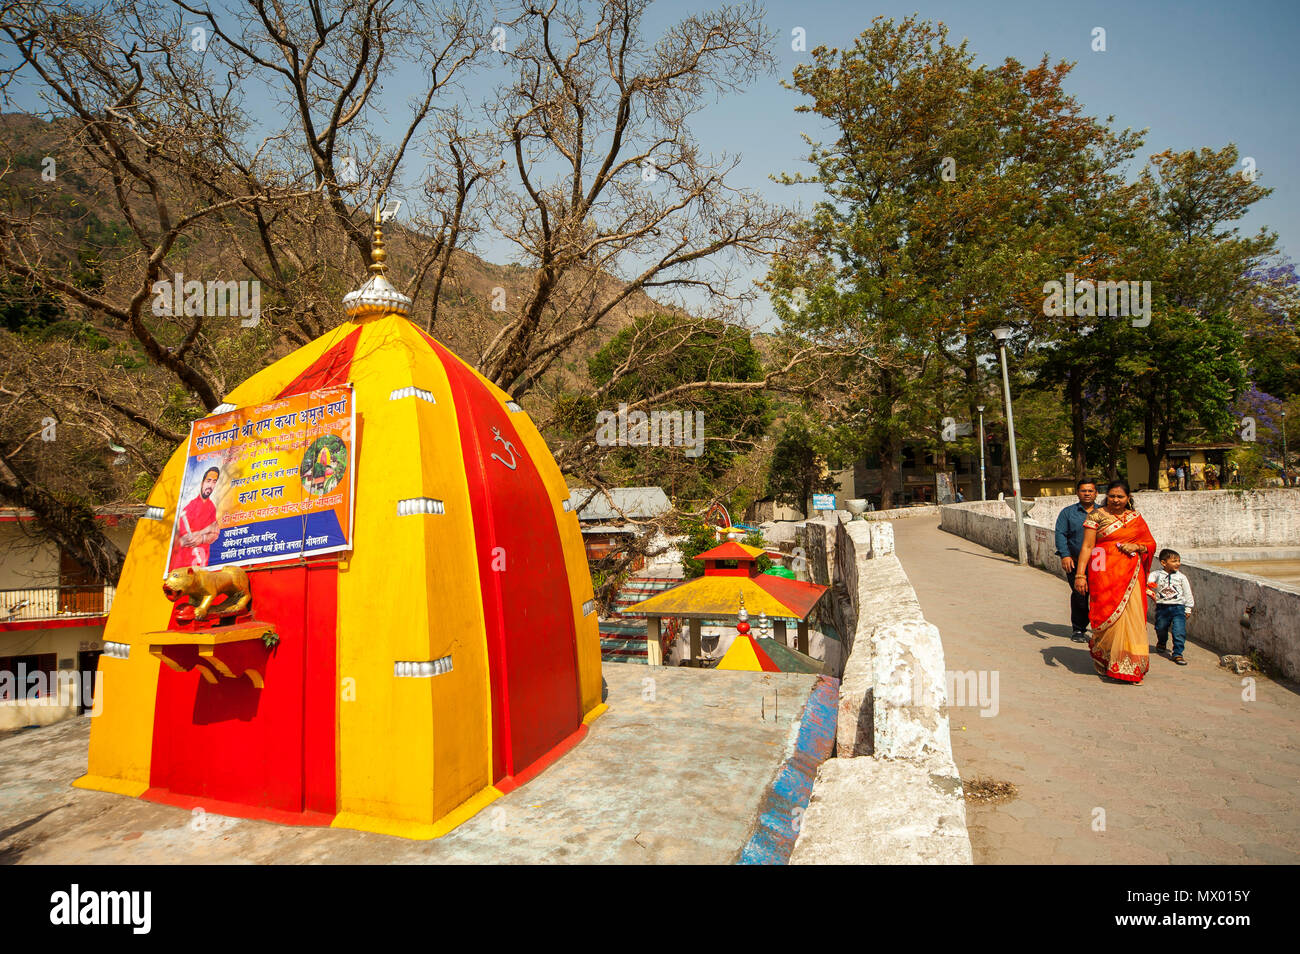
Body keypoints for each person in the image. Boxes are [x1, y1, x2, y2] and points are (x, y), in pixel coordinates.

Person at [1074, 479, 1158, 683]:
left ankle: (1129, 665)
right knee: (1105, 613)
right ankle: (1106, 656)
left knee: (1132, 617)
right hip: (1102, 570)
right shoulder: (1096, 515)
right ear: (1106, 496)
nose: (1116, 500)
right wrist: (1080, 574)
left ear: (1128, 498)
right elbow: (1087, 547)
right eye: (1112, 496)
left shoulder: (1135, 518)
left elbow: (1150, 543)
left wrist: (1136, 547)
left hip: (1131, 574)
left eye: (1120, 496)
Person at [1054, 478, 1099, 642]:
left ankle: (1099, 628)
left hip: (1098, 563)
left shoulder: (1104, 512)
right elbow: (1060, 534)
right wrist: (1064, 555)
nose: (1087, 494)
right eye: (1083, 491)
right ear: (1077, 493)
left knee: (1099, 596)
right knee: (1080, 595)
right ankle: (1079, 629)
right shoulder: (1068, 513)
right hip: (1074, 560)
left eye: (1090, 491)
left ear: (1096, 493)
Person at [1148, 548, 1194, 666]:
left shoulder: (1181, 577)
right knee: (1160, 627)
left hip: (1178, 607)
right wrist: (1149, 585)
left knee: (1178, 631)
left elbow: (1187, 592)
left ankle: (1178, 653)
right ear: (1163, 563)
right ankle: (1162, 642)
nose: (1178, 563)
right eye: (1174, 561)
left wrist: (1188, 607)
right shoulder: (1156, 574)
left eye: (1178, 561)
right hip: (1162, 607)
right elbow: (1148, 582)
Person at [172, 466, 221, 568]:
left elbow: (215, 534)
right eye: (208, 481)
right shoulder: (190, 507)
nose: (210, 485)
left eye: (214, 482)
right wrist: (206, 530)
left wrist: (202, 538)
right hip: (184, 563)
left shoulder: (212, 507)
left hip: (202, 563)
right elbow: (187, 538)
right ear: (202, 483)